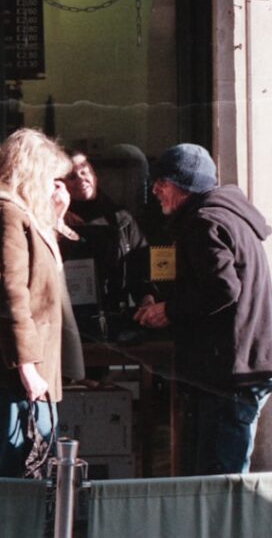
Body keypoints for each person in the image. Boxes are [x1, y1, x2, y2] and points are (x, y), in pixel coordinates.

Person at [135, 143, 272, 475]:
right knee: (218, 474)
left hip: (228, 372)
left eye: (162, 182)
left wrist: (170, 310)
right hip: (242, 366)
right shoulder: (226, 214)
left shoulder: (203, 222)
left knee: (219, 481)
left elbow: (223, 288)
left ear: (185, 186)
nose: (155, 189)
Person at [0, 129, 73, 477]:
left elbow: (39, 275)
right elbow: (10, 293)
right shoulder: (5, 213)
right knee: (15, 468)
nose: (57, 188)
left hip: (21, 370)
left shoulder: (15, 211)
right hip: (15, 374)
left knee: (17, 466)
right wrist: (27, 368)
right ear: (33, 174)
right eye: (51, 179)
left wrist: (56, 217)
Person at [59, 151, 156, 341]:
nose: (81, 179)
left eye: (84, 172)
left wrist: (147, 295)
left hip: (113, 319)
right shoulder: (52, 220)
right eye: (72, 176)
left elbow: (140, 264)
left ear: (94, 175)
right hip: (67, 320)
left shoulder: (121, 219)